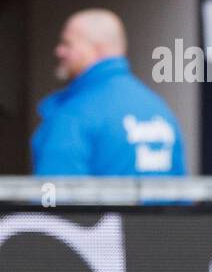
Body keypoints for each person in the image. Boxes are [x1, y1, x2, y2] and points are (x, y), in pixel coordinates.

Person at [32, 9, 186, 176]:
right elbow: (181, 193)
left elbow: (52, 194)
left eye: (68, 44)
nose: (59, 51)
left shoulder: (74, 114)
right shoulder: (159, 110)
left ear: (97, 49)